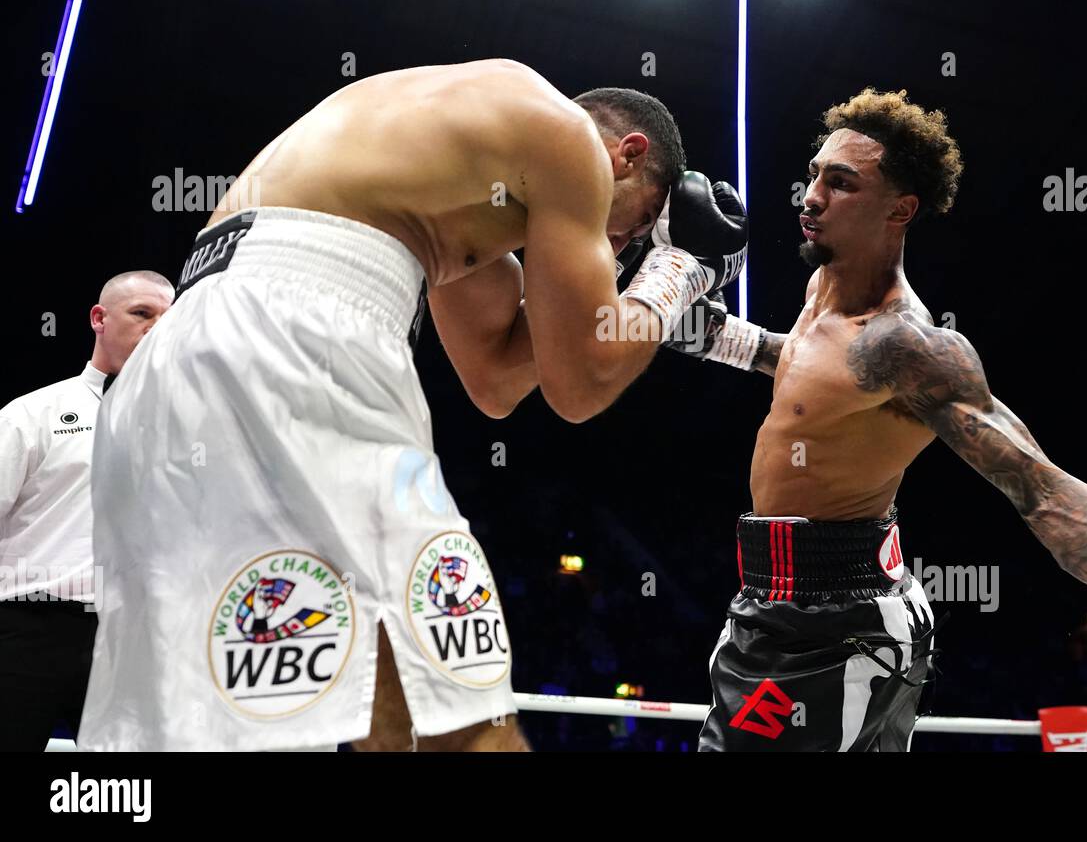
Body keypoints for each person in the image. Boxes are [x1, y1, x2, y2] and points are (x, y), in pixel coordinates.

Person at [78, 60, 747, 751]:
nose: (615, 251)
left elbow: (496, 380)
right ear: (628, 153)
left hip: (176, 367)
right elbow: (581, 384)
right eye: (634, 230)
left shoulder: (447, 176)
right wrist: (677, 270)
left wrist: (649, 297)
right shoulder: (570, 135)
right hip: (297, 341)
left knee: (270, 720)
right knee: (458, 710)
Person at [667, 87, 1087, 751]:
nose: (810, 196)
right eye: (813, 175)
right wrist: (723, 337)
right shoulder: (824, 292)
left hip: (837, 620)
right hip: (775, 600)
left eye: (840, 183)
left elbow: (1033, 480)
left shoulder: (906, 342)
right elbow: (813, 376)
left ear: (900, 209)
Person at [0, 270, 173, 750]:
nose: (157, 328)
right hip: (29, 629)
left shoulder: (189, 424)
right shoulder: (34, 414)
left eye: (168, 318)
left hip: (132, 636)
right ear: (99, 318)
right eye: (142, 313)